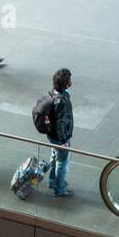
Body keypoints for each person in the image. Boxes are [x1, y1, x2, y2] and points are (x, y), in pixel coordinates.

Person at [45, 67, 74, 198]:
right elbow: (62, 122)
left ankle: (52, 181)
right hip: (60, 137)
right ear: (66, 83)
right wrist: (64, 141)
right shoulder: (62, 100)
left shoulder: (53, 93)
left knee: (54, 157)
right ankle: (60, 188)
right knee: (62, 162)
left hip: (51, 135)